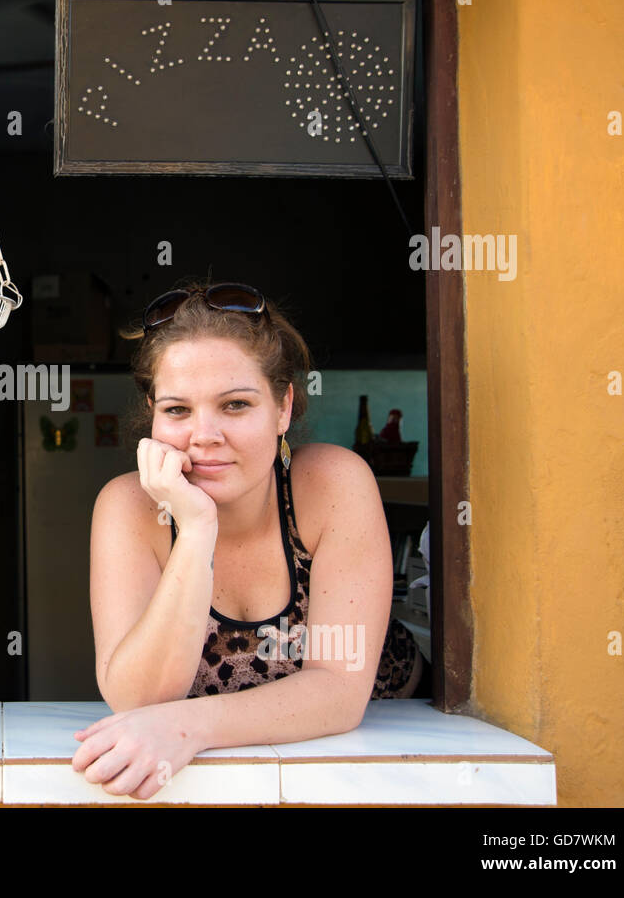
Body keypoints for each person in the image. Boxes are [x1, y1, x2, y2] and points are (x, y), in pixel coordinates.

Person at [73, 280, 426, 800]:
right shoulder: (129, 508)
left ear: (283, 408)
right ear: (152, 412)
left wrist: (189, 727)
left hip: (394, 765)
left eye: (235, 405)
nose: (204, 434)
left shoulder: (333, 483)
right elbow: (138, 698)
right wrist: (195, 530)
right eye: (177, 410)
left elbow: (338, 691)